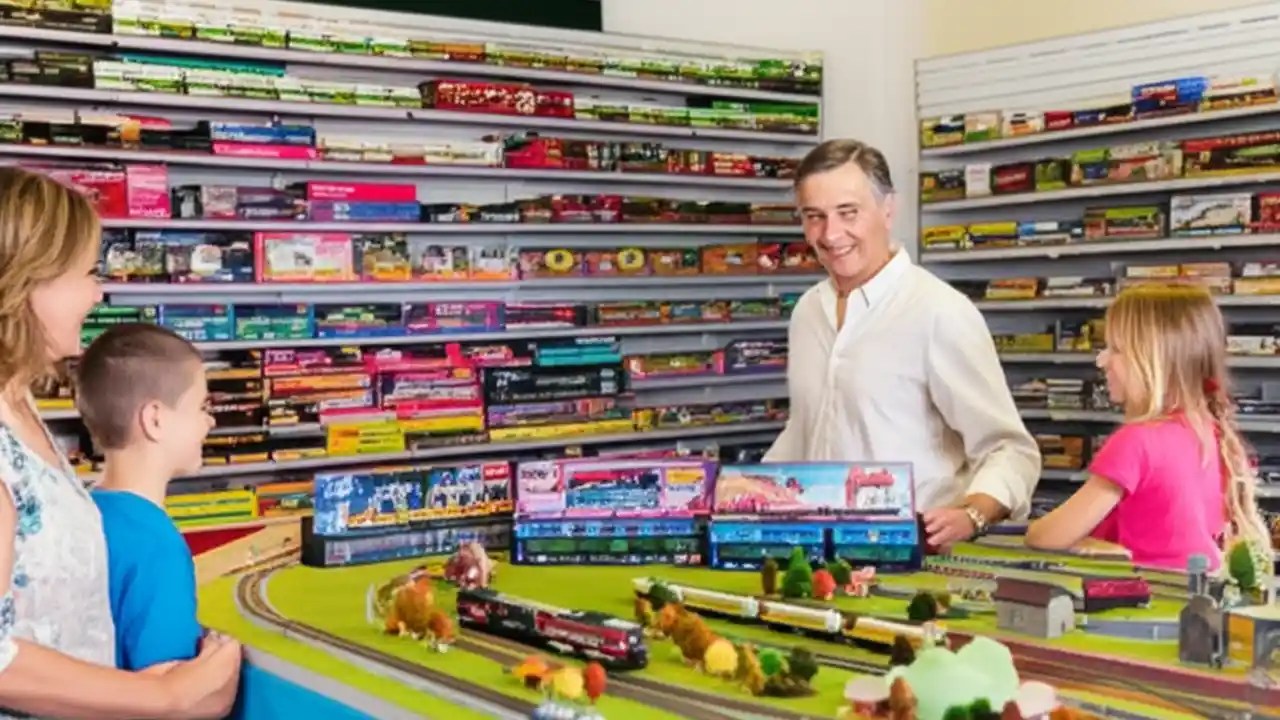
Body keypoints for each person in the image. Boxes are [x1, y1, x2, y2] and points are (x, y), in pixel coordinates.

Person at [0, 166, 239, 718]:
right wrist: (165, 696)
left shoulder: (22, 407)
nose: (98, 291)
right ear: (29, 281)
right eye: (86, 272)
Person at [764, 139, 1041, 549]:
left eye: (848, 213)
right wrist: (746, 489)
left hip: (918, 558)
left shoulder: (939, 311)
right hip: (815, 549)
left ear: (888, 208)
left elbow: (1010, 448)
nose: (831, 233)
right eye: (814, 217)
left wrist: (972, 514)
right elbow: (808, 428)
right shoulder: (808, 312)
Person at [1025, 284, 1271, 571]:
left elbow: (1047, 537)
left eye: (1115, 350)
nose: (1101, 361)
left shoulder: (1136, 441)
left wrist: (1076, 540)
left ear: (1154, 360)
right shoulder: (1211, 432)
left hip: (1148, 600)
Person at [76, 323, 216, 671]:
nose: (210, 422)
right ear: (155, 419)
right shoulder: (156, 546)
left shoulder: (80, 513)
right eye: (201, 406)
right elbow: (169, 688)